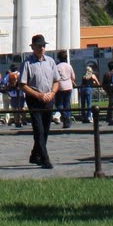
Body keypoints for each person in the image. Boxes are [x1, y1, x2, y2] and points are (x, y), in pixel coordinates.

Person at [20, 35, 60, 169]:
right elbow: (23, 84)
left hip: (48, 98)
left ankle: (34, 155)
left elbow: (56, 80)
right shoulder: (27, 63)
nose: (42, 48)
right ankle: (45, 158)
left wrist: (52, 93)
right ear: (33, 48)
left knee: (46, 129)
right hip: (34, 99)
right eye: (39, 46)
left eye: (43, 46)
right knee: (38, 130)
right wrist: (38, 95)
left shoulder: (50, 61)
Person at [54, 50, 76, 130]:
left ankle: (65, 117)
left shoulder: (57, 67)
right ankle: (68, 120)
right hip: (69, 86)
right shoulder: (69, 66)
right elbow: (73, 77)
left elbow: (55, 77)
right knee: (67, 104)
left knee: (58, 104)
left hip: (60, 86)